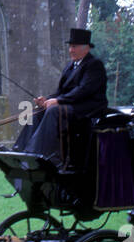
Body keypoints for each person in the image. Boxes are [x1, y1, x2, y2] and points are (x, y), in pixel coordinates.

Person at [11, 28, 109, 167]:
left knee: (53, 111)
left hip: (87, 108)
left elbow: (84, 90)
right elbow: (61, 91)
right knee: (35, 111)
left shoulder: (94, 65)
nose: (70, 50)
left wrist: (58, 101)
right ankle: (19, 150)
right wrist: (46, 100)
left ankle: (36, 153)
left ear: (86, 48)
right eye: (70, 46)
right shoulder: (69, 67)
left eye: (74, 47)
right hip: (70, 106)